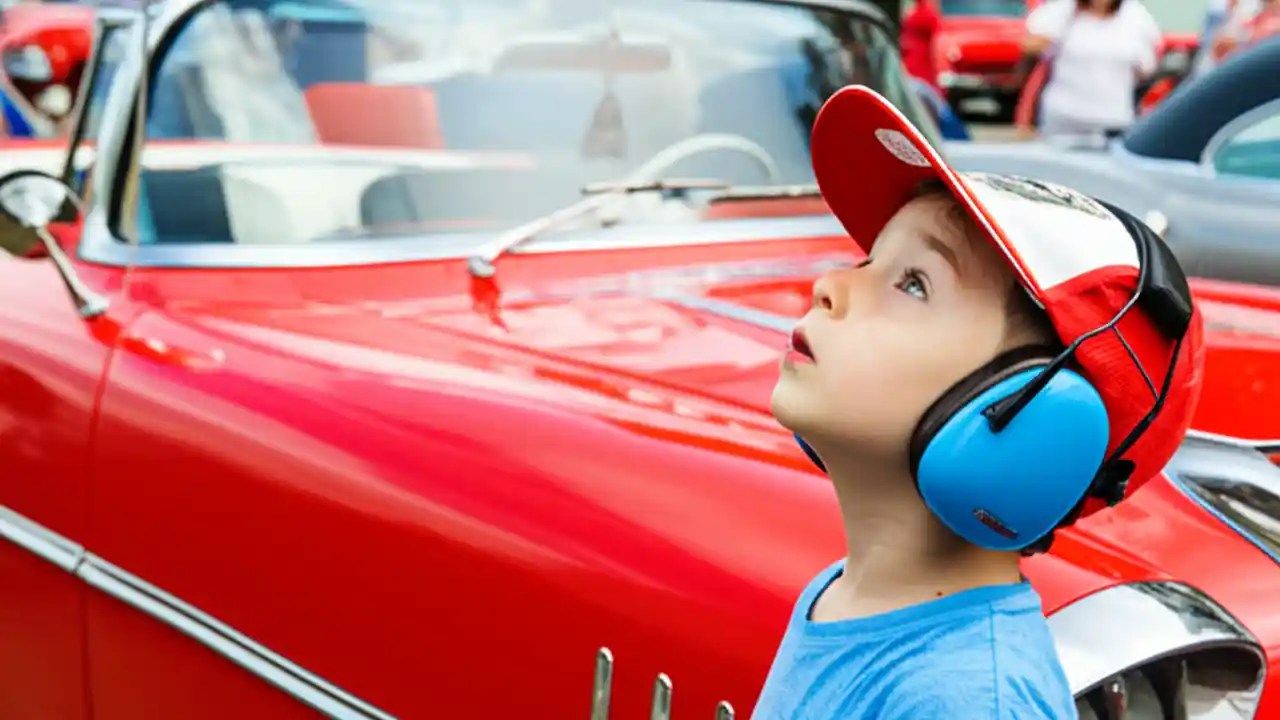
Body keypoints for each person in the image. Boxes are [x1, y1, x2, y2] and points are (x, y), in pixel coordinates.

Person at [751, 84, 1204, 718]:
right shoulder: (842, 596)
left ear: (1032, 417)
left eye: (913, 283)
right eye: (869, 260)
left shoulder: (966, 699)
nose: (829, 286)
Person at [1020, 0, 1161, 138]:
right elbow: (1031, 46)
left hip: (1113, 119)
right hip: (1063, 118)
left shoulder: (1136, 16)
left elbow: (1147, 68)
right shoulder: (1062, 10)